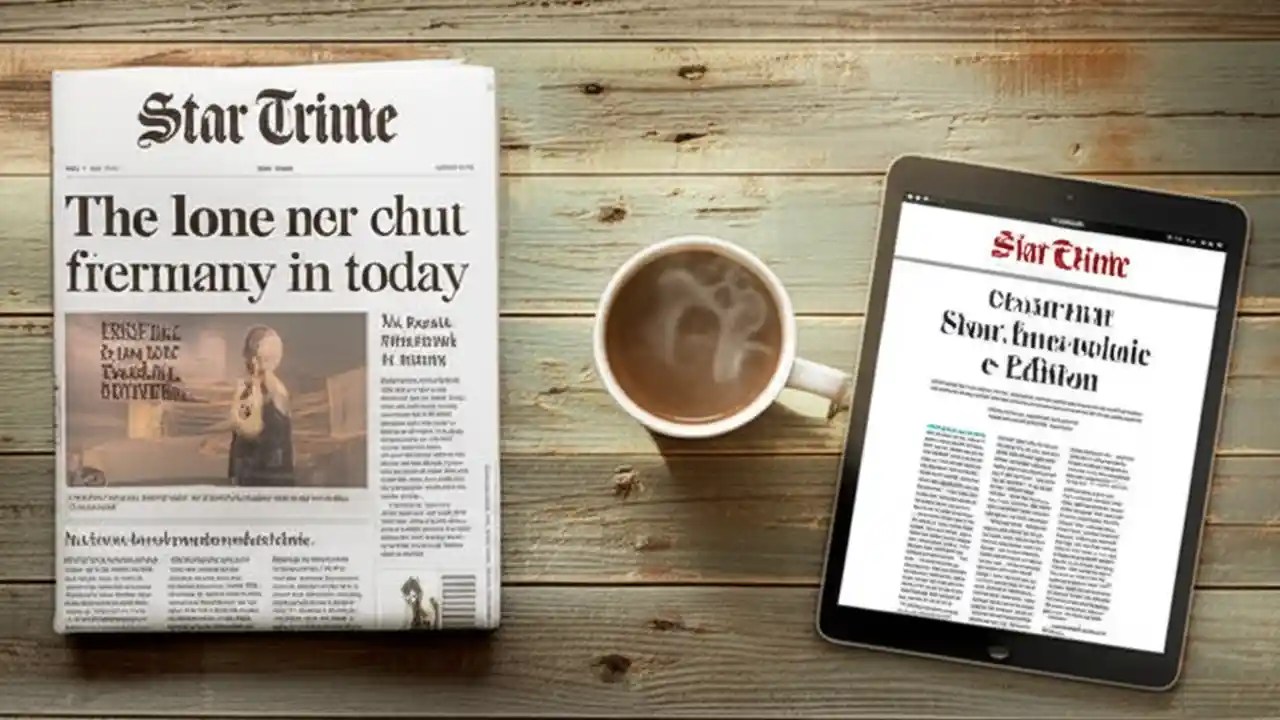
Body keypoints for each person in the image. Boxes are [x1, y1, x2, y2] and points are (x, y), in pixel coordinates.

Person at [228, 325, 295, 486]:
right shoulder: (254, 387)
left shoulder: (270, 389)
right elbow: (241, 430)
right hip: (258, 470)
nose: (248, 362)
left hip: (266, 472)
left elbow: (248, 428)